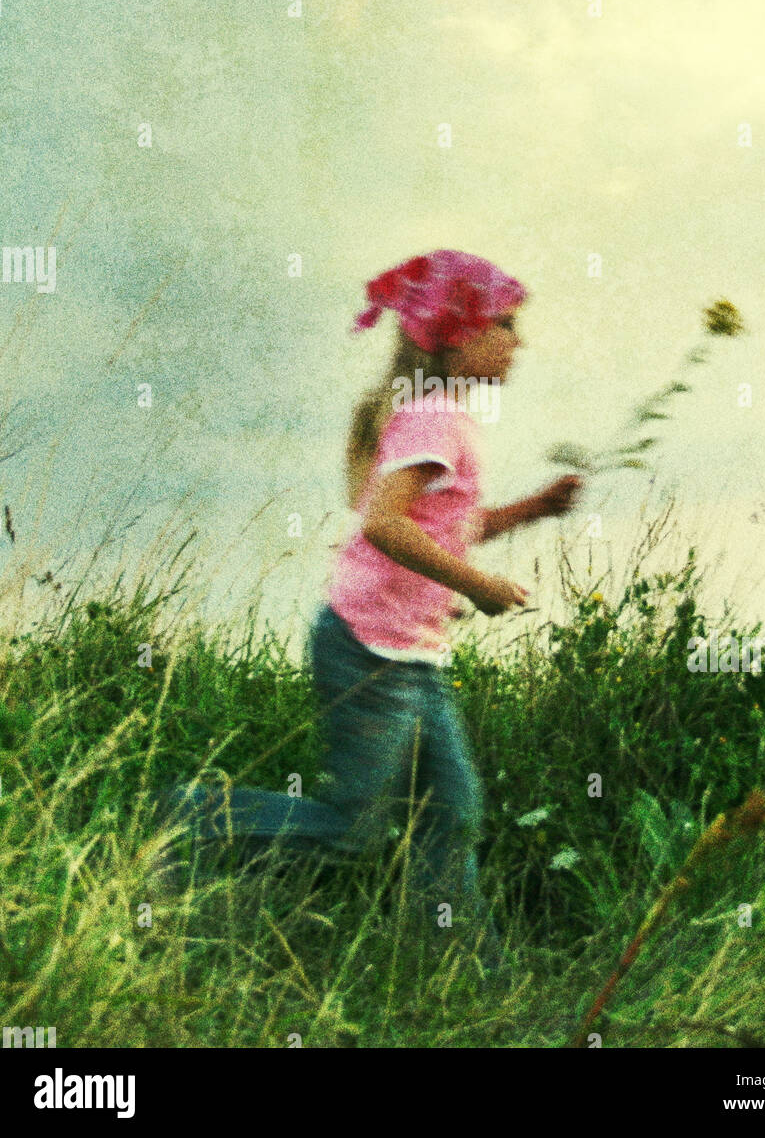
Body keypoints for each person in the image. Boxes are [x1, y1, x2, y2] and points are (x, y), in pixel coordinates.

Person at [159, 249, 582, 976]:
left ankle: (467, 972)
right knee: (354, 830)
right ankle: (188, 815)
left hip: (412, 656)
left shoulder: (446, 419)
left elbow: (449, 524)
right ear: (456, 334)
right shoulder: (432, 419)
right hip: (367, 653)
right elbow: (385, 525)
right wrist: (477, 587)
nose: (520, 339)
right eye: (506, 323)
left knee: (453, 815)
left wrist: (535, 509)